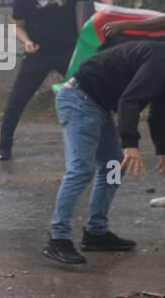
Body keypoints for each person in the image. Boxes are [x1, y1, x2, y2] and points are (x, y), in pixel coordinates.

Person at [43, 40, 165, 265]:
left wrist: (162, 149)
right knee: (81, 169)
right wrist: (131, 144)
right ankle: (58, 238)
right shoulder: (160, 58)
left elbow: (159, 110)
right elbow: (129, 100)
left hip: (97, 103)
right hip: (78, 99)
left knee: (113, 166)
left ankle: (96, 232)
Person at [0, 0, 111, 160]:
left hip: (68, 52)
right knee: (16, 100)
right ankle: (4, 147)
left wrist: (109, 11)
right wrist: (27, 41)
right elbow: (17, 25)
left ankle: (104, 143)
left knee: (93, 91)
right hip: (38, 54)